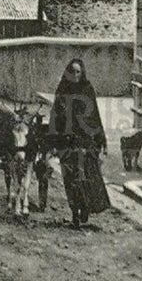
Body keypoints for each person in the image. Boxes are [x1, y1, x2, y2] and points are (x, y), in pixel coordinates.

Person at [48, 58, 110, 228]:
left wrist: (100, 138)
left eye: (78, 72)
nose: (75, 75)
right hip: (67, 142)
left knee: (86, 177)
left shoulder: (87, 90)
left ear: (82, 73)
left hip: (85, 141)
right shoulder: (62, 90)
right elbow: (55, 115)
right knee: (70, 179)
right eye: (73, 72)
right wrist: (54, 140)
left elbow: (95, 115)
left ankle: (85, 208)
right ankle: (75, 211)